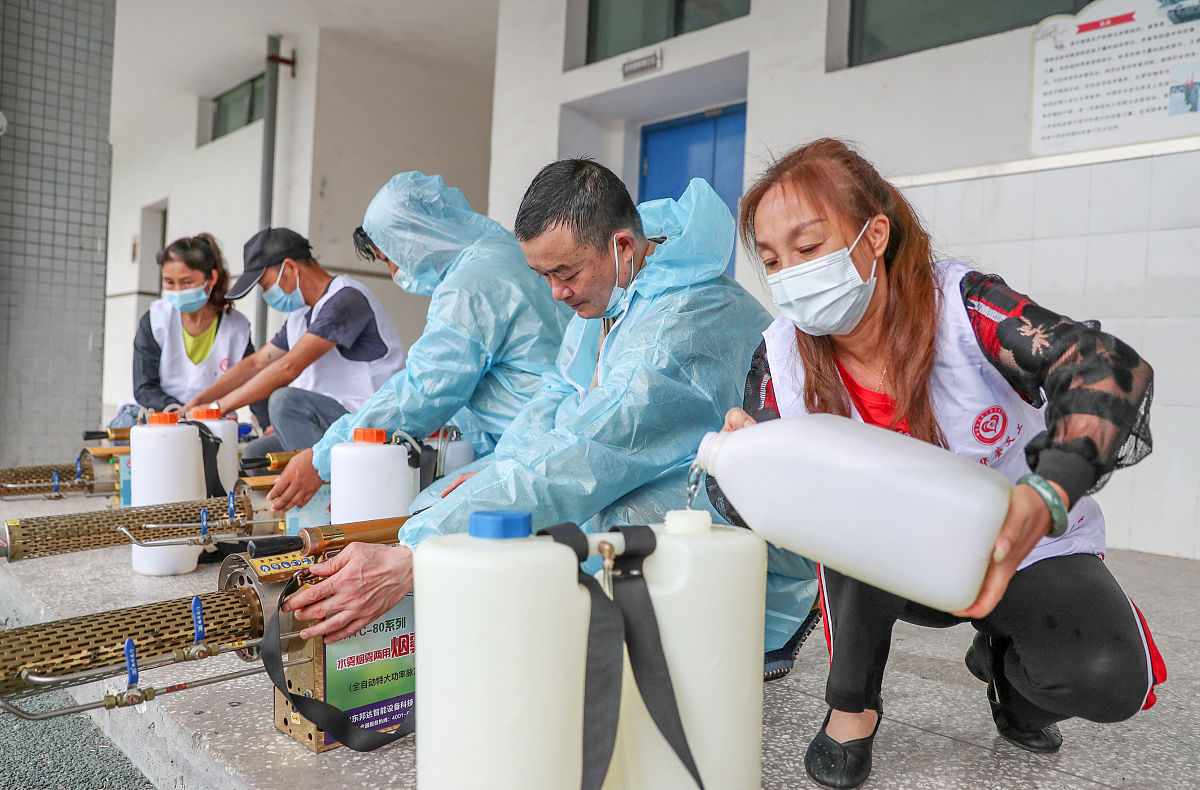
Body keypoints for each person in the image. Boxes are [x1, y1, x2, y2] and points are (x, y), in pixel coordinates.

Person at [710, 138, 1164, 790]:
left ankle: (1009, 676)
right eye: (774, 261)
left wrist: (1046, 495)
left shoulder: (966, 309)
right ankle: (852, 706)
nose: (790, 277)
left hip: (1018, 538)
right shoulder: (780, 356)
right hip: (889, 556)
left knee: (1107, 676)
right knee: (844, 507)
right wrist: (742, 463)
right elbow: (766, 493)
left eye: (808, 249)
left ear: (873, 237)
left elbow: (1103, 368)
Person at [279, 159, 772, 647]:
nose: (557, 293)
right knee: (453, 500)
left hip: (725, 511)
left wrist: (419, 553)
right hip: (624, 456)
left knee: (584, 532)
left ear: (620, 244)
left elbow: (588, 453)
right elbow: (556, 394)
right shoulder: (616, 285)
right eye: (545, 275)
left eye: (565, 273)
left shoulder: (673, 328)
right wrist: (496, 471)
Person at [267, 172, 570, 512]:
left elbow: (424, 391)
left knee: (423, 514)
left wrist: (323, 457)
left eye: (389, 258)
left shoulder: (469, 286)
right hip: (550, 429)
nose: (395, 271)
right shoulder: (504, 251)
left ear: (414, 237)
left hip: (532, 445)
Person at [181, 227, 407, 459]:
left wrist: (217, 408)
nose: (266, 295)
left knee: (284, 401)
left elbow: (288, 367)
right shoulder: (300, 315)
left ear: (289, 268)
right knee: (256, 453)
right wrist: (197, 402)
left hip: (370, 421)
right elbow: (257, 363)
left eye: (266, 286)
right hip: (337, 420)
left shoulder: (346, 298)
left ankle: (325, 491)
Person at [110, 234, 267, 428]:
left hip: (210, 421)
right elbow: (144, 387)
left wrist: (268, 423)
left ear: (211, 278)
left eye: (186, 282)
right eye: (169, 282)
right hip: (158, 417)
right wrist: (176, 410)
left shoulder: (236, 328)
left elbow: (253, 379)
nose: (177, 290)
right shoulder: (155, 319)